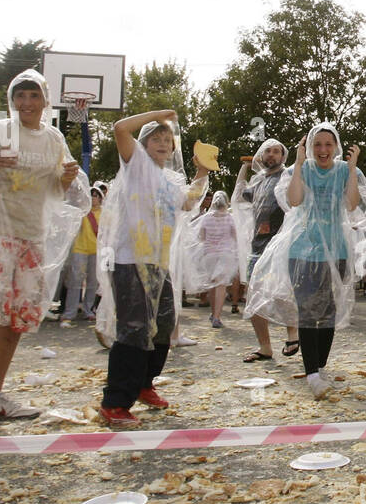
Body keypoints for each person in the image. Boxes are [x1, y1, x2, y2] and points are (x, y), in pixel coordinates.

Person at [0, 69, 88, 429]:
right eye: (20, 96)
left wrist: (65, 179)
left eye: (33, 95)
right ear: (11, 100)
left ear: (45, 100)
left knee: (16, 317)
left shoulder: (53, 140)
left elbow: (55, 192)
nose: (26, 103)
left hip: (30, 234)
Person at [95, 112, 208, 428]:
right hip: (131, 260)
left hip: (157, 264)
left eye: (166, 140)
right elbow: (119, 128)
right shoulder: (136, 166)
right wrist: (162, 116)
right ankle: (115, 402)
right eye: (155, 138)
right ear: (143, 145)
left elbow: (187, 203)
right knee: (133, 328)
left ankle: (145, 383)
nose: (161, 143)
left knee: (162, 324)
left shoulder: (168, 181)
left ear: (173, 149)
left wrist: (201, 172)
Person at [244, 123, 366, 398]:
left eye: (328, 144)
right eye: (317, 144)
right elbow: (294, 201)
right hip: (302, 250)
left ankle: (319, 366)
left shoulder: (346, 171)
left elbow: (352, 206)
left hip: (336, 250)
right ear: (310, 147)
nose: (323, 150)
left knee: (328, 310)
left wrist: (351, 170)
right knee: (307, 310)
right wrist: (300, 165)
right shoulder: (298, 170)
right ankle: (312, 372)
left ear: (336, 147)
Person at [234, 139, 299, 362]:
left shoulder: (288, 176)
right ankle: (265, 347)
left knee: (284, 291)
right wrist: (244, 167)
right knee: (253, 296)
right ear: (261, 156)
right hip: (257, 247)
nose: (271, 154)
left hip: (281, 245)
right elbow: (240, 195)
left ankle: (293, 334)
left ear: (283, 156)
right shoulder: (259, 182)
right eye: (267, 151)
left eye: (276, 151)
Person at [184, 190, 238, 328]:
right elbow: (235, 236)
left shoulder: (206, 218)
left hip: (209, 254)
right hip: (225, 254)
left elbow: (201, 237)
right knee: (221, 285)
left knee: (213, 285)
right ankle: (217, 317)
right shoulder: (230, 218)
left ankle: (213, 313)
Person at [61, 183, 104, 326]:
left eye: (96, 195)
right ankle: (69, 313)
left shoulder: (104, 213)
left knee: (93, 282)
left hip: (96, 251)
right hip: (80, 249)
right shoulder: (82, 212)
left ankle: (88, 310)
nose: (93, 198)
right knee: (75, 282)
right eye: (91, 195)